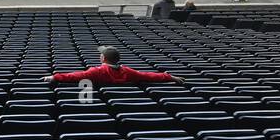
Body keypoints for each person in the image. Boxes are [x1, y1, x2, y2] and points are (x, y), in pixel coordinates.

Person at [43, 46, 184, 86]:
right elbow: (148, 75)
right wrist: (169, 76)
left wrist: (54, 77)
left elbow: (76, 76)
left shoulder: (96, 72)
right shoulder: (128, 72)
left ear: (103, 58)